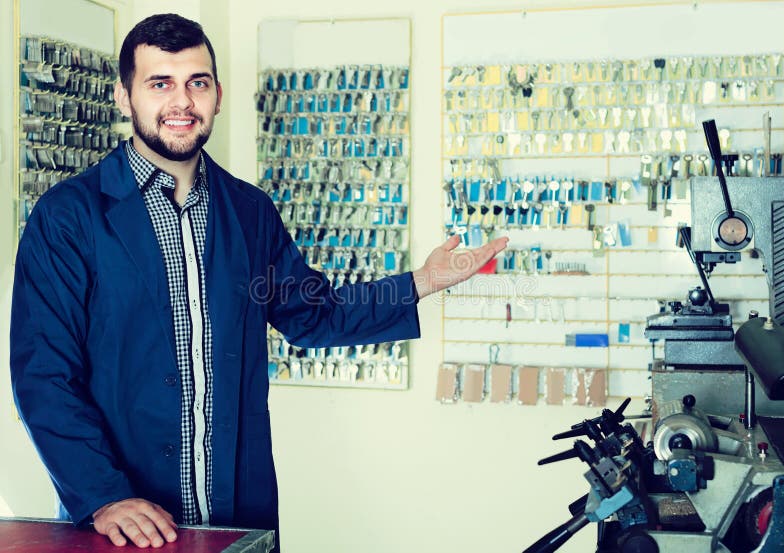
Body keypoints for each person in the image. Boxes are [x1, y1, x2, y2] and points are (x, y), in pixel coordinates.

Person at [9, 13, 507, 550]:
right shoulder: (69, 218)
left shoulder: (249, 211)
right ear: (124, 97)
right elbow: (44, 374)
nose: (182, 102)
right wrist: (103, 495)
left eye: (196, 83)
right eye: (160, 84)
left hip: (236, 520)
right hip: (125, 526)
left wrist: (420, 281)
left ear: (217, 95)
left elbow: (316, 314)